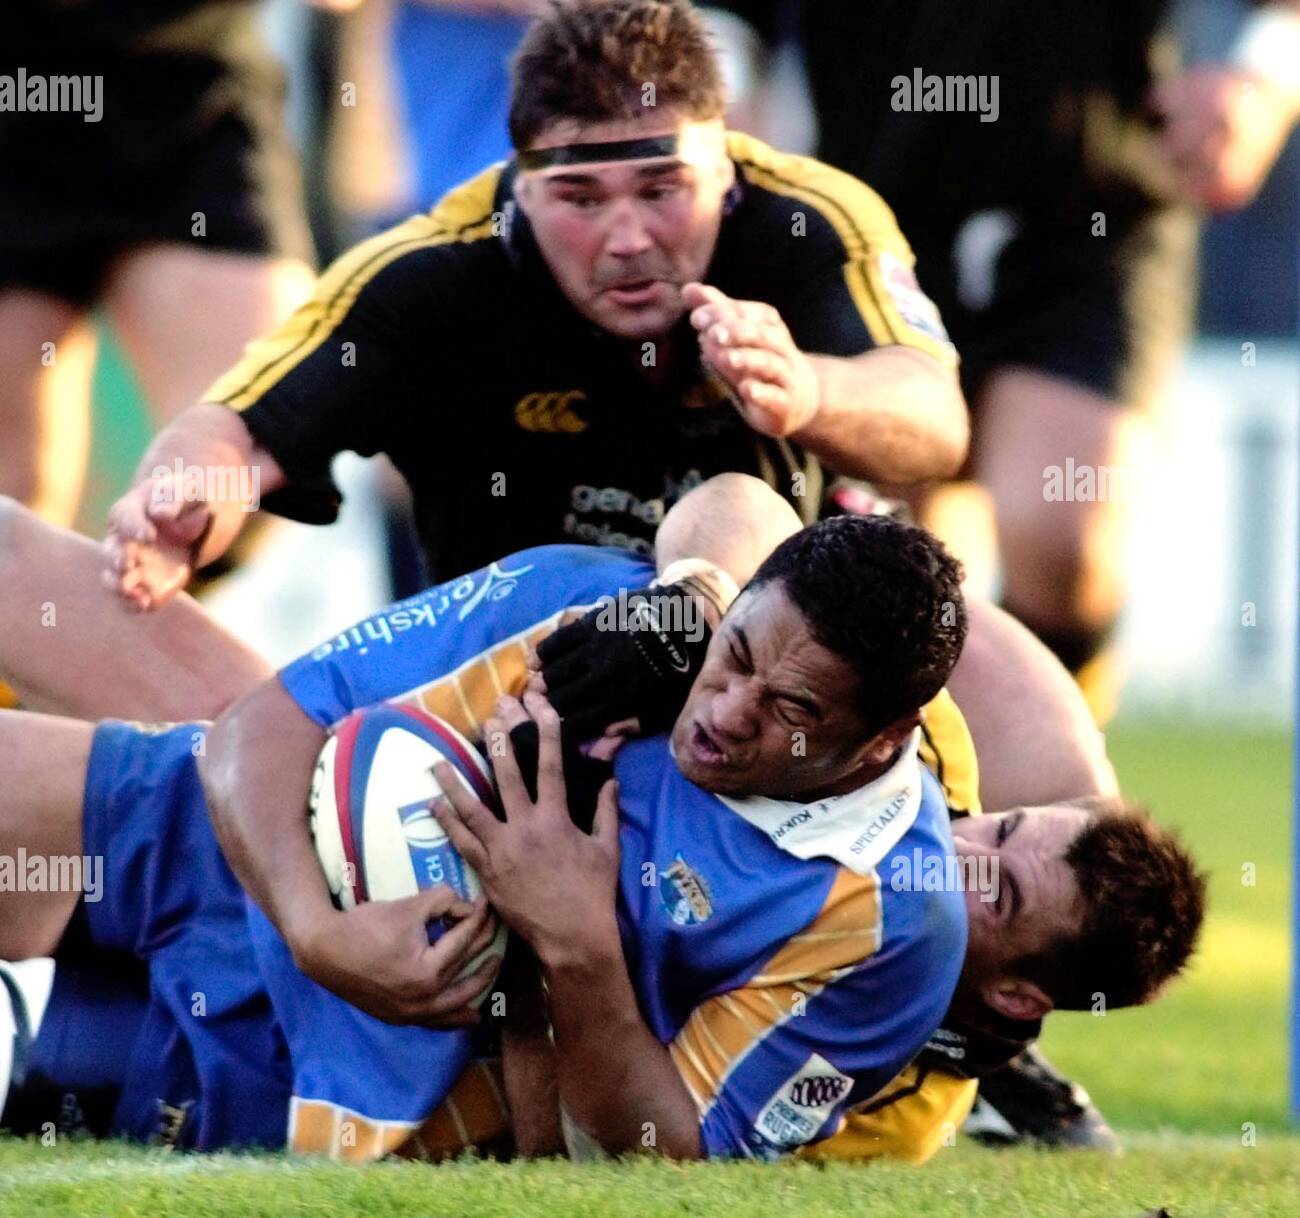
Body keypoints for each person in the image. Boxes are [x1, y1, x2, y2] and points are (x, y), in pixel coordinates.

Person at [0, 494, 1202, 1161]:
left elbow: (653, 1173)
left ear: (885, 743)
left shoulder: (890, 925)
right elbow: (256, 729)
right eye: (731, 658)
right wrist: (318, 928)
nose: (723, 717)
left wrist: (567, 941)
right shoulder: (599, 610)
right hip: (204, 841)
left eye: (789, 713)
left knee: (38, 1066)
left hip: (308, 1060)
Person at [100, 0, 968, 610]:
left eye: (663, 190)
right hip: (504, 668)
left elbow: (935, 419)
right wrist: (178, 500)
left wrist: (813, 391)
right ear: (521, 186)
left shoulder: (805, 222)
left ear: (726, 167)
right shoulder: (429, 270)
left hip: (766, 680)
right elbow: (240, 426)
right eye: (583, 200)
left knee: (1002, 683)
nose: (627, 238)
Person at [693, 0, 1300, 720]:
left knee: (1066, 538)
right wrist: (720, 99)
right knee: (893, 564)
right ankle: (937, 801)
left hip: (1094, 211)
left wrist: (1263, 84)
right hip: (877, 214)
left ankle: (1059, 781)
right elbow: (728, 7)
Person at [0, 0, 314, 525]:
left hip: (195, 83)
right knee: (17, 501)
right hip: (18, 92)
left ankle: (132, 587)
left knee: (262, 455)